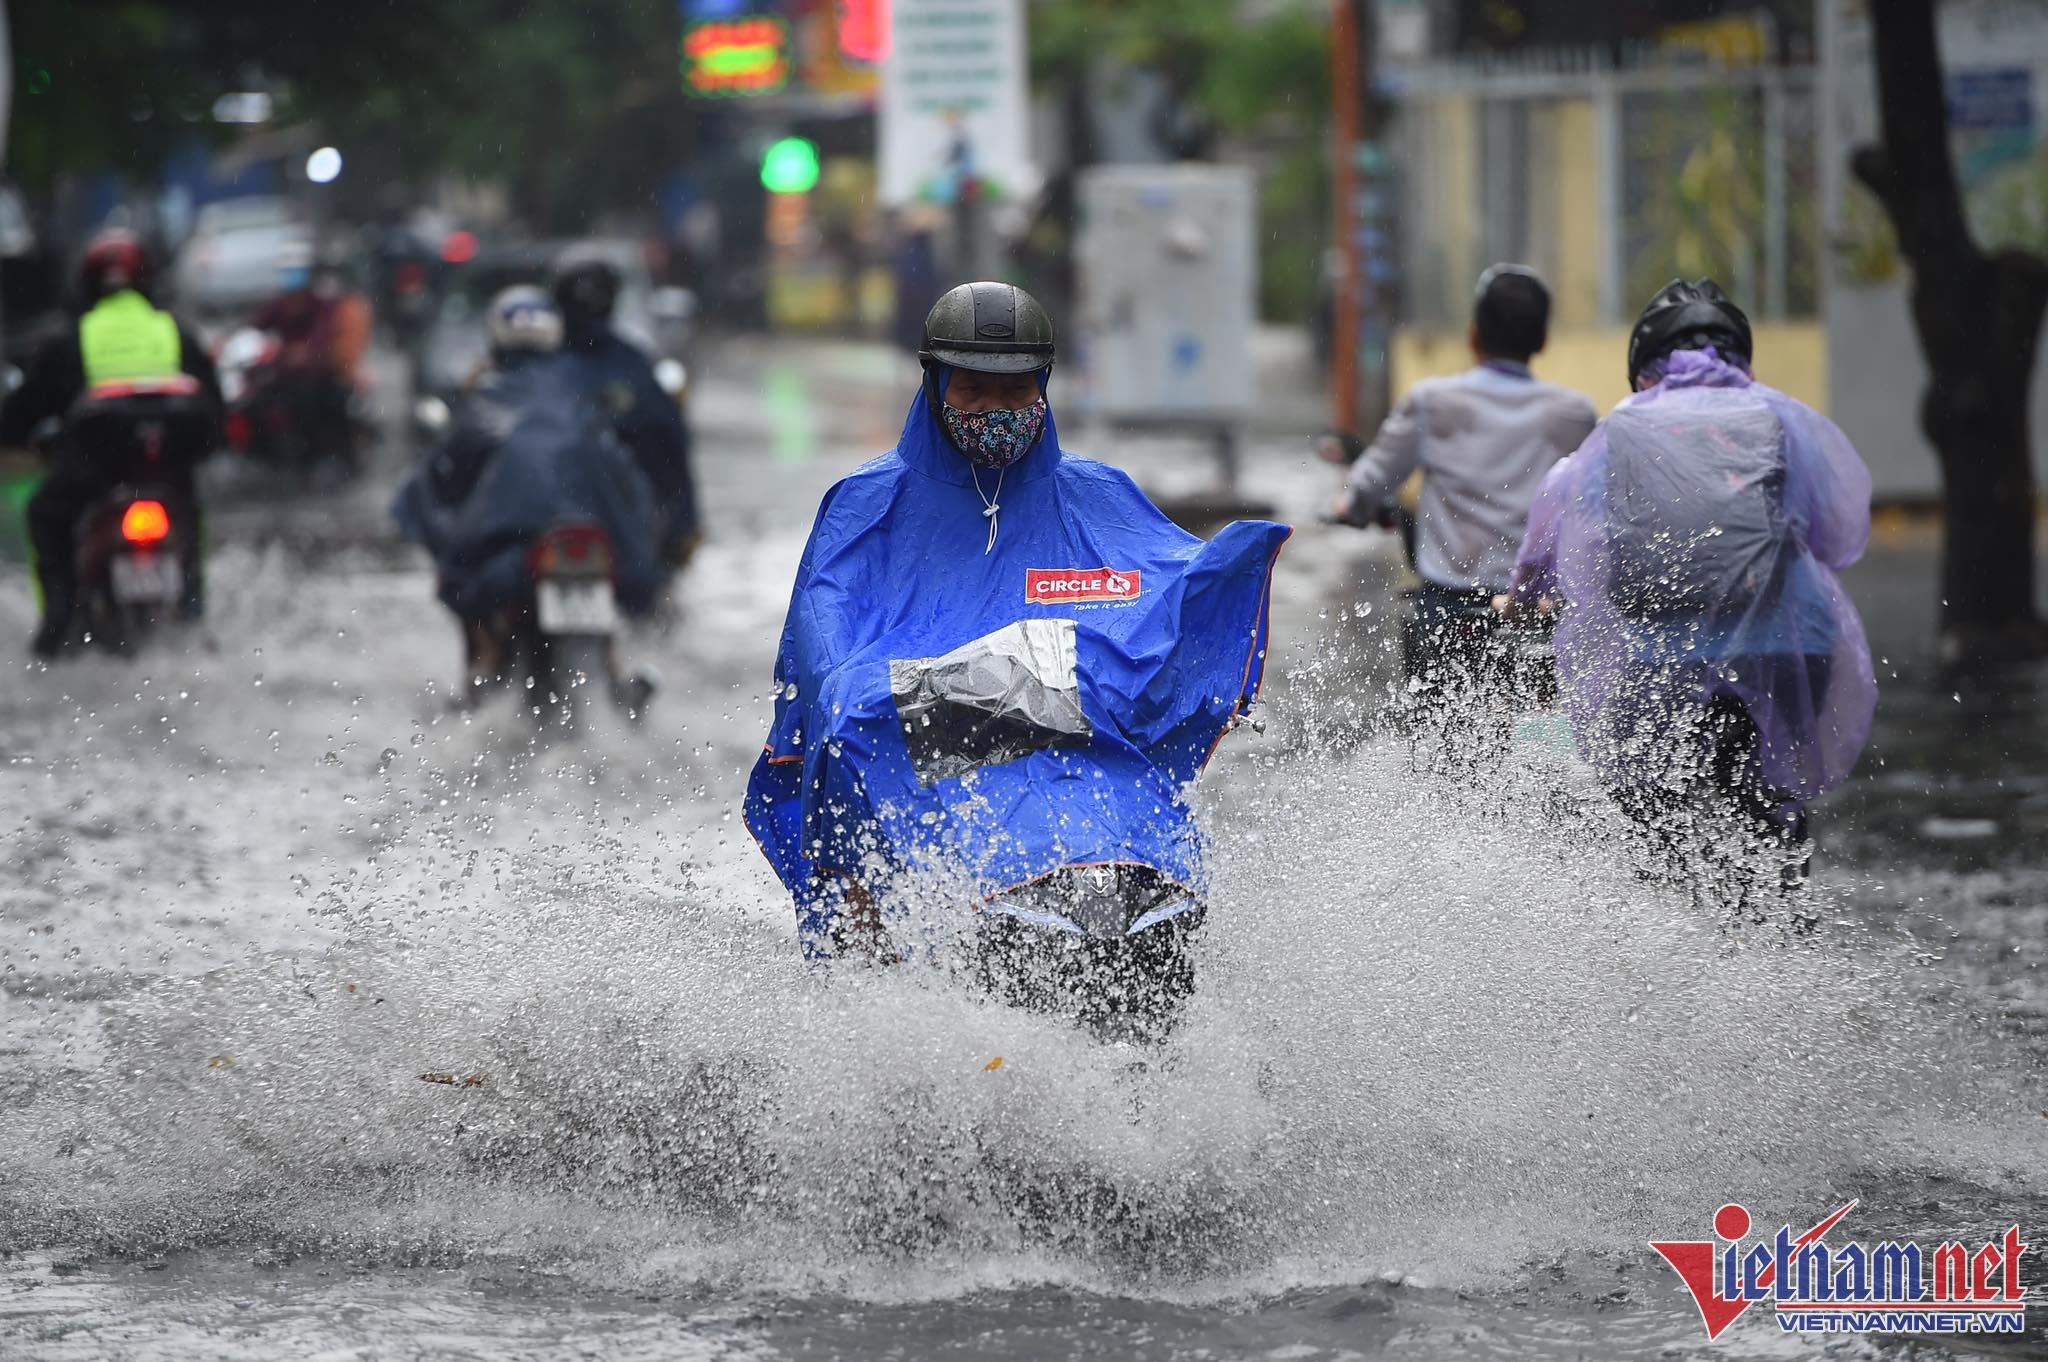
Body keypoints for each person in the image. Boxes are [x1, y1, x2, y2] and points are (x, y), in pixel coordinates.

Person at [743, 281, 1289, 1033]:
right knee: (860, 939)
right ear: (933, 385)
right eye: (973, 388)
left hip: (1114, 826)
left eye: (1015, 388)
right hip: (938, 796)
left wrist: (1223, 578)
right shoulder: (867, 509)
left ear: (1046, 385)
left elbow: (1171, 634)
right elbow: (831, 675)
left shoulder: (1100, 498)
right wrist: (1007, 682)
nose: (997, 408)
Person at [1501, 278, 1876, 881]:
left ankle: (1670, 903)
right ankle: (1782, 907)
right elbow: (1839, 536)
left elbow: (1558, 527)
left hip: (1659, 660)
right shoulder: (1780, 417)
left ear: (1642, 368)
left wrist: (1521, 597)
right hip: (1789, 647)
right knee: (1775, 796)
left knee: (1647, 800)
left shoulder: (1618, 430)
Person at [1329, 264, 1596, 695]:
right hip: (1539, 608)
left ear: (1474, 336)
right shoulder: (1574, 414)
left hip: (1452, 608)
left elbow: (1370, 482)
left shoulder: (1432, 403)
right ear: (1542, 341)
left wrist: (1353, 507)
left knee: (1438, 738)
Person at [391, 286, 664, 685]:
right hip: (588, 549)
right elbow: (632, 490)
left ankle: (483, 664)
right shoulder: (584, 399)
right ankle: (611, 669)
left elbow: (435, 489)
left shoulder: (484, 403)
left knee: (465, 583)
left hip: (518, 559)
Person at [1, 228, 221, 658]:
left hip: (93, 474)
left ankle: (58, 620)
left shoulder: (69, 341)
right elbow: (216, 410)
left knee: (45, 516)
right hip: (167, 473)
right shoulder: (175, 332)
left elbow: (19, 416)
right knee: (191, 516)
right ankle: (194, 609)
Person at [550, 245, 701, 567]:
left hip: (625, 530)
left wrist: (683, 525)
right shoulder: (632, 365)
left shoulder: (634, 369)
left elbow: (672, 448)